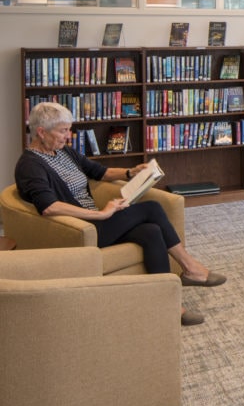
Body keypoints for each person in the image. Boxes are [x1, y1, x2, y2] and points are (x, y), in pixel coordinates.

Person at [15, 102, 226, 326]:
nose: (68, 136)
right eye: (63, 131)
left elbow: (99, 171)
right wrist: (102, 214)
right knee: (152, 208)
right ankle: (190, 268)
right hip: (81, 229)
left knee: (151, 231)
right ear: (41, 132)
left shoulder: (63, 152)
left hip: (94, 220)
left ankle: (169, 305)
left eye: (68, 130)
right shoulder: (30, 165)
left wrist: (130, 172)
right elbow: (49, 207)